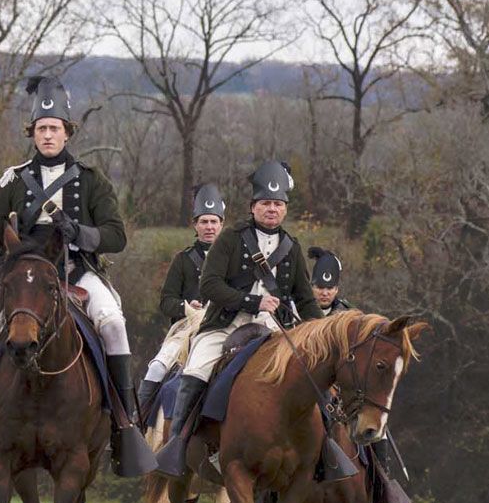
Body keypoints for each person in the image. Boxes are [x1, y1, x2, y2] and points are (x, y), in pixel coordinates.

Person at [0, 75, 156, 476]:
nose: (48, 135)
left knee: (113, 325)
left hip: (78, 273)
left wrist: (80, 233)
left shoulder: (91, 180)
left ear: (67, 132)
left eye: (55, 129)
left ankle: (123, 423)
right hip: (23, 280)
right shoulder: (13, 182)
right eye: (41, 129)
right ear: (32, 133)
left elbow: (116, 236)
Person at [154, 161, 319, 476]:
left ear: (285, 209)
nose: (272, 209)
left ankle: (315, 457)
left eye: (278, 204)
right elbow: (209, 285)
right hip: (225, 325)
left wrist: (322, 332)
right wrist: (253, 301)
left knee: (311, 377)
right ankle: (177, 446)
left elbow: (305, 299)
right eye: (266, 203)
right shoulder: (230, 238)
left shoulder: (292, 248)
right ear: (254, 206)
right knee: (196, 371)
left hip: (273, 331)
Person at [135, 183, 225, 420]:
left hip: (222, 327)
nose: (209, 227)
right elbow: (166, 302)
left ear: (221, 225)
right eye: (204, 222)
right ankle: (137, 425)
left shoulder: (233, 259)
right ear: (195, 225)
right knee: (156, 368)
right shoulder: (182, 260)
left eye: (213, 221)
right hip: (184, 331)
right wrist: (186, 308)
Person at [306, 246, 352, 315]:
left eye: (330, 288)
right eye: (320, 287)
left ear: (336, 289)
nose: (324, 293)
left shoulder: (347, 315)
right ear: (312, 287)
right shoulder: (297, 312)